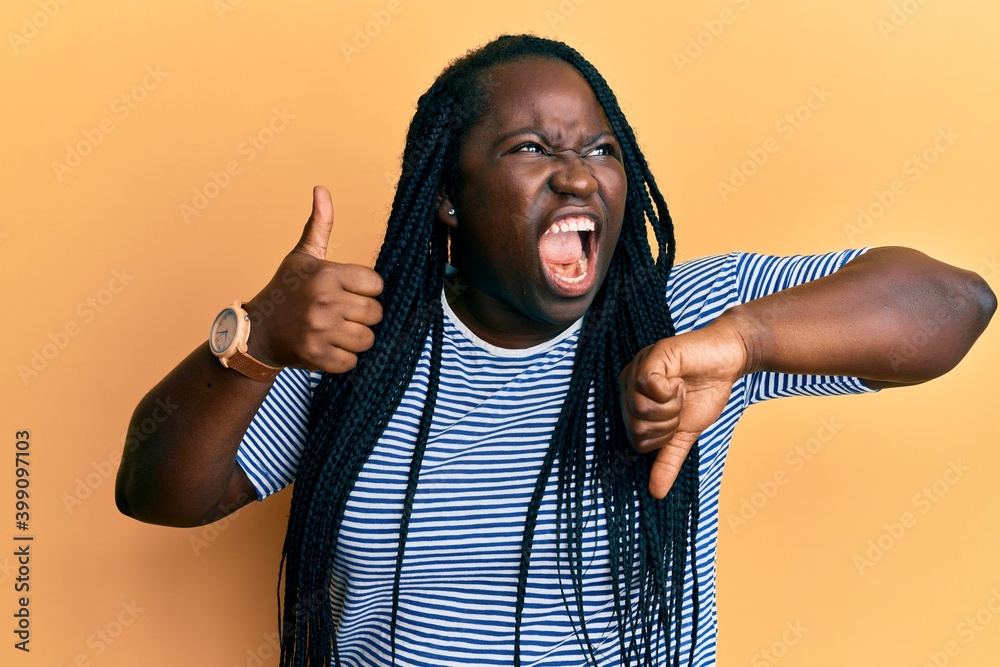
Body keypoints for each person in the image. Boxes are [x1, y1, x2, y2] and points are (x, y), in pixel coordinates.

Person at [115, 35, 995, 667]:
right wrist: (257, 338)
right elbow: (156, 492)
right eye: (532, 148)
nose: (579, 174)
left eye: (601, 150)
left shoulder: (679, 323)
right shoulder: (360, 348)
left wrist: (745, 341)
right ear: (449, 197)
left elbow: (954, 304)